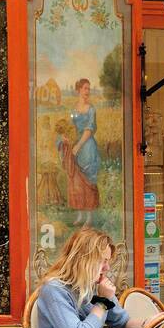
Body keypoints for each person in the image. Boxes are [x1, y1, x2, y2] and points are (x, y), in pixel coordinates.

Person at [58, 78, 100, 224]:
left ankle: (89, 217)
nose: (87, 91)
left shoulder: (91, 109)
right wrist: (64, 137)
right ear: (78, 90)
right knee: (76, 182)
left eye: (89, 89)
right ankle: (80, 215)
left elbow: (89, 129)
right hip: (75, 145)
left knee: (88, 180)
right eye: (85, 88)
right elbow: (70, 127)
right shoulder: (73, 110)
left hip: (87, 147)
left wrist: (78, 145)